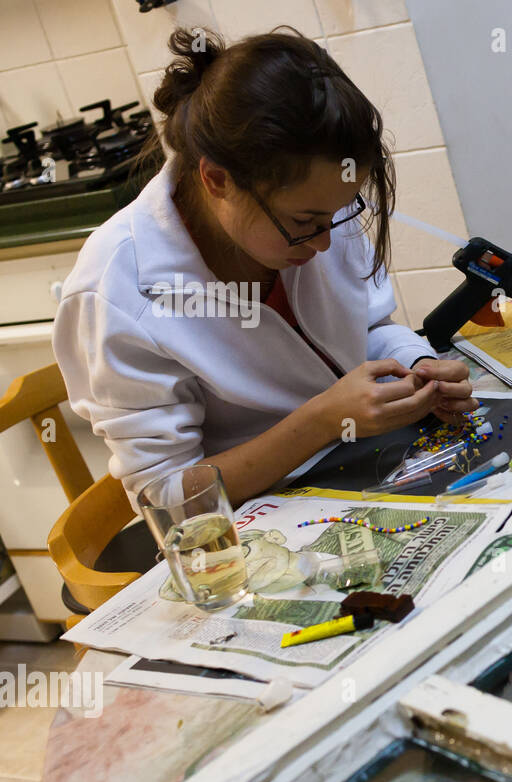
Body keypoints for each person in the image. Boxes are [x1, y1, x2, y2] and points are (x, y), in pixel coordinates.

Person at [54, 27, 474, 511]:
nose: (324, 242)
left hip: (361, 462)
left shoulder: (317, 207)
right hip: (256, 518)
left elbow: (368, 326)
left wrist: (416, 365)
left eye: (337, 214)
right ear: (217, 179)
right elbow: (167, 501)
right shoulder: (118, 291)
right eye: (304, 223)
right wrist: (321, 422)